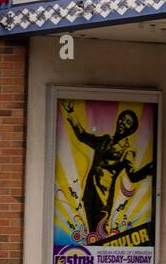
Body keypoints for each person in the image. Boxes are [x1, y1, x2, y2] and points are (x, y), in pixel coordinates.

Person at [63, 101, 155, 236]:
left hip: (103, 197)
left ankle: (99, 255)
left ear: (131, 130)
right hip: (89, 193)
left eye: (128, 122)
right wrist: (71, 113)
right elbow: (82, 136)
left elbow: (133, 176)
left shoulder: (127, 150)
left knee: (101, 234)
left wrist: (149, 169)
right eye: (122, 119)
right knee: (92, 233)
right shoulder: (105, 140)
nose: (123, 123)